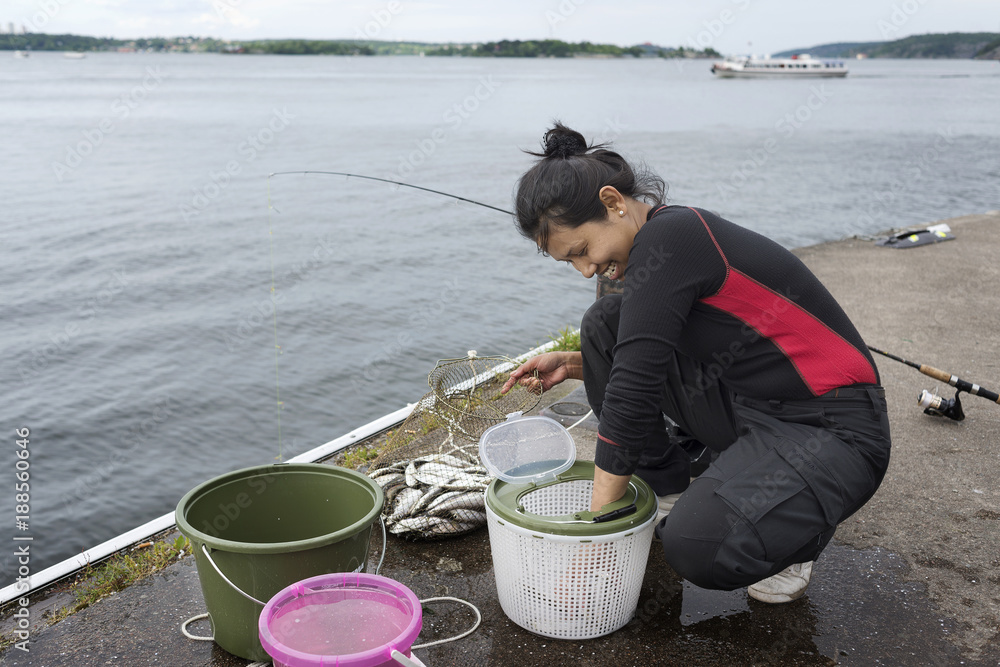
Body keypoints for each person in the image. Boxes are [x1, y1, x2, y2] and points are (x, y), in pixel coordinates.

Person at [501, 122, 891, 603]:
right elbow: (643, 352)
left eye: (582, 251)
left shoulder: (675, 237)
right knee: (605, 323)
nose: (585, 269)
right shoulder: (655, 246)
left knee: (695, 547)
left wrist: (593, 529)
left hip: (834, 427)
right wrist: (584, 362)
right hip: (750, 404)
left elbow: (635, 384)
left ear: (612, 202)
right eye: (569, 263)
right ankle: (670, 488)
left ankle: (797, 541)